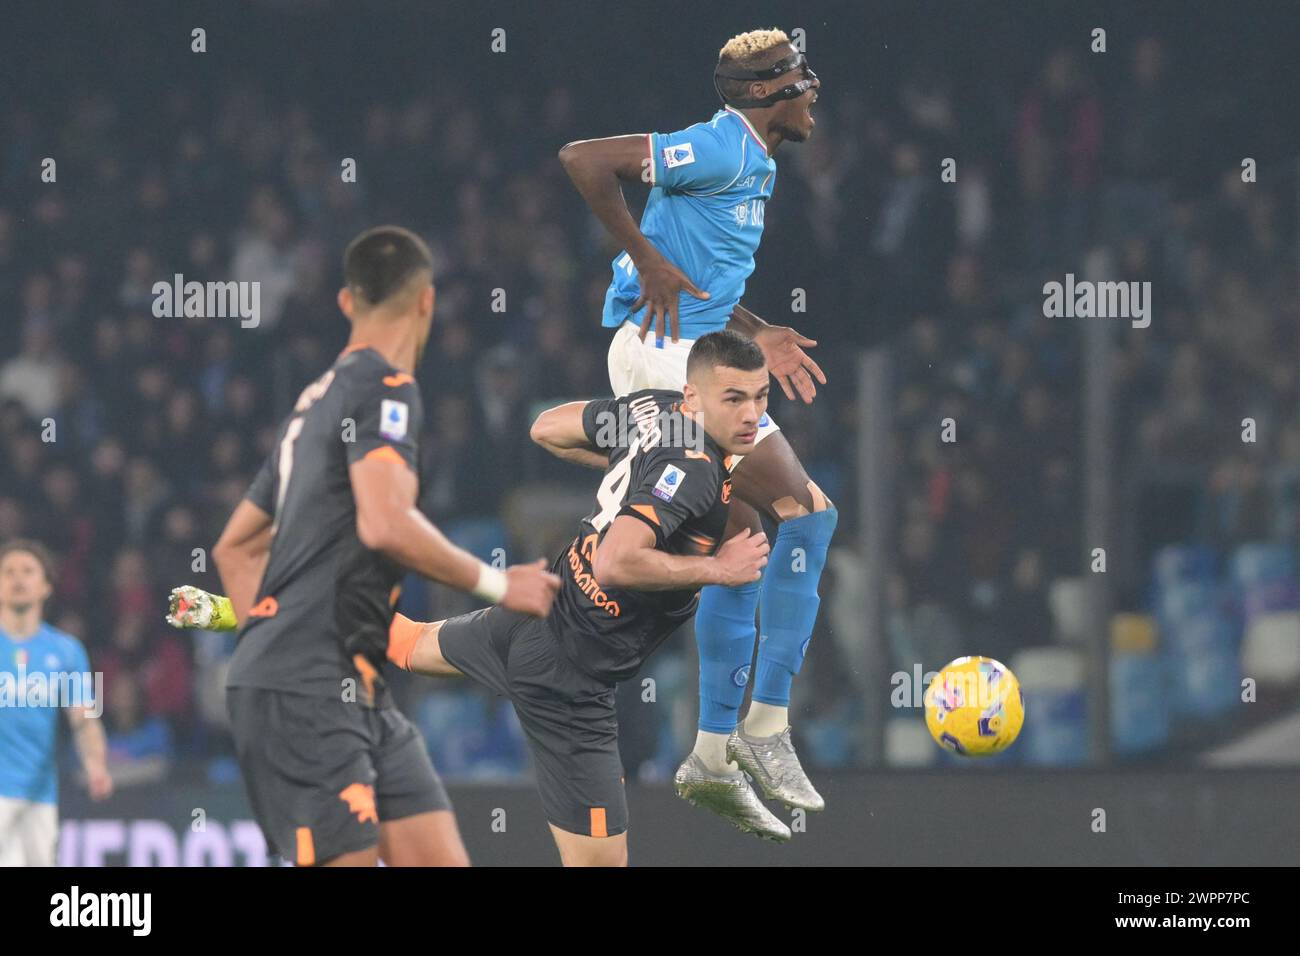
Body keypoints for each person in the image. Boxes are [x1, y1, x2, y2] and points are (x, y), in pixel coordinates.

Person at [210, 225, 559, 867]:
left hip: (355, 686)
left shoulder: (313, 405)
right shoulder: (387, 388)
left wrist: (267, 632)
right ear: (426, 302)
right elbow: (384, 522)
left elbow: (234, 548)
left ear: (347, 303)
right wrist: (500, 584)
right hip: (306, 690)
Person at [558, 28, 837, 820]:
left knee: (743, 543)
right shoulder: (717, 148)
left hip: (696, 354)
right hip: (664, 363)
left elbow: (703, 276)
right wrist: (642, 257)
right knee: (809, 515)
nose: (815, 90)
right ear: (768, 93)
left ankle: (713, 753)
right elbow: (583, 159)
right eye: (802, 79)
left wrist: (759, 328)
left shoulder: (754, 160)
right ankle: (767, 727)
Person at [0, 539, 111, 866]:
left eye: (28, 571)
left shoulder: (68, 650)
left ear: (46, 586)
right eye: (8, 572)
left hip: (40, 795)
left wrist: (96, 763)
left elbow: (86, 718)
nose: (18, 579)